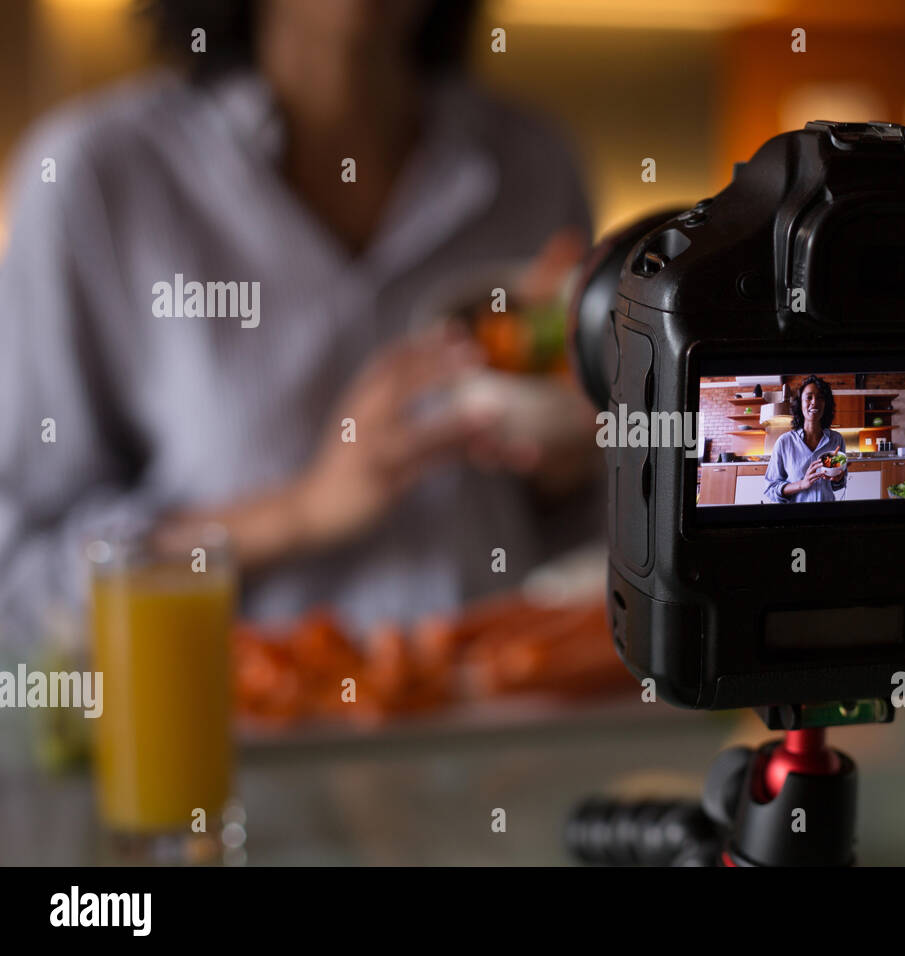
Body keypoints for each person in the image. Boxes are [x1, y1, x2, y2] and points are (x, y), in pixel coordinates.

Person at [0, 0, 599, 651]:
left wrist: (567, 462)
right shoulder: (100, 177)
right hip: (225, 739)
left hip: (501, 731)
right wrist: (301, 513)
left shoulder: (535, 164)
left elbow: (588, 539)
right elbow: (23, 575)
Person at [763, 375, 847, 503]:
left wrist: (838, 478)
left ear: (826, 404)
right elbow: (770, 489)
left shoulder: (836, 440)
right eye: (809, 397)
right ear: (800, 404)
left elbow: (839, 485)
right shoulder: (784, 442)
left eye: (820, 398)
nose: (814, 402)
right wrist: (802, 484)